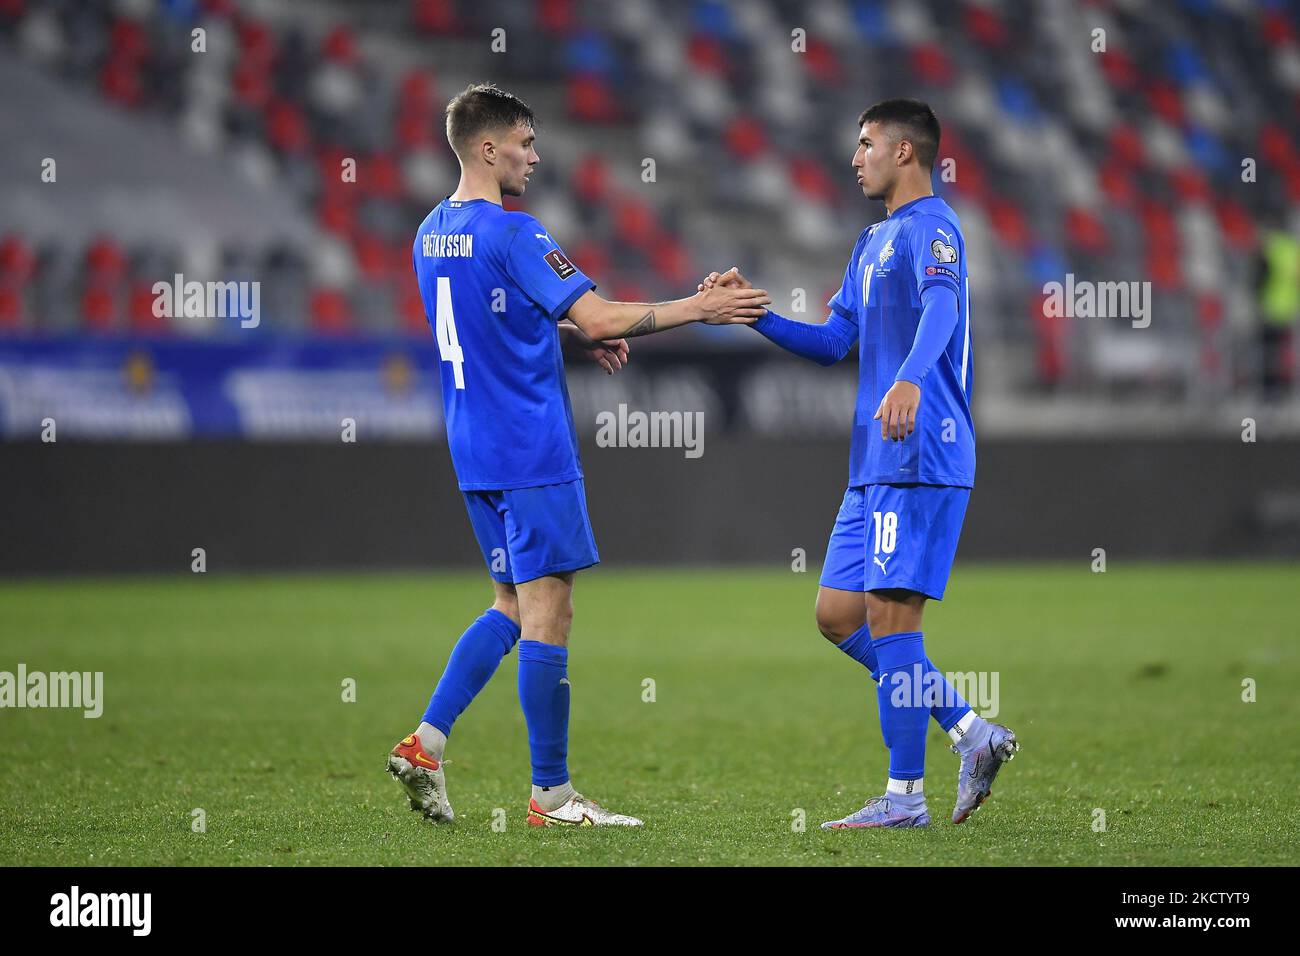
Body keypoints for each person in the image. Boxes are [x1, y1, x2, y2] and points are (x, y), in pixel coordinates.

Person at [391, 83, 771, 827]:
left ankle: (425, 745)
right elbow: (594, 308)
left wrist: (567, 334)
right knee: (550, 611)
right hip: (530, 446)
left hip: (473, 448)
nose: (535, 156)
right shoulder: (516, 233)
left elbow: (488, 322)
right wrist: (702, 308)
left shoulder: (430, 232)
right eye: (526, 144)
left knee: (510, 604)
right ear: (489, 147)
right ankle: (552, 796)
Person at [701, 99, 1017, 828]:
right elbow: (832, 341)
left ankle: (904, 797)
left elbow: (941, 308)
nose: (856, 157)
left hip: (921, 447)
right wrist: (755, 315)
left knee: (895, 625)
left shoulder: (934, 227)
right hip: (874, 461)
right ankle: (972, 732)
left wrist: (908, 378)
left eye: (867, 142)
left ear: (906, 152)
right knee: (839, 615)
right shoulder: (873, 241)